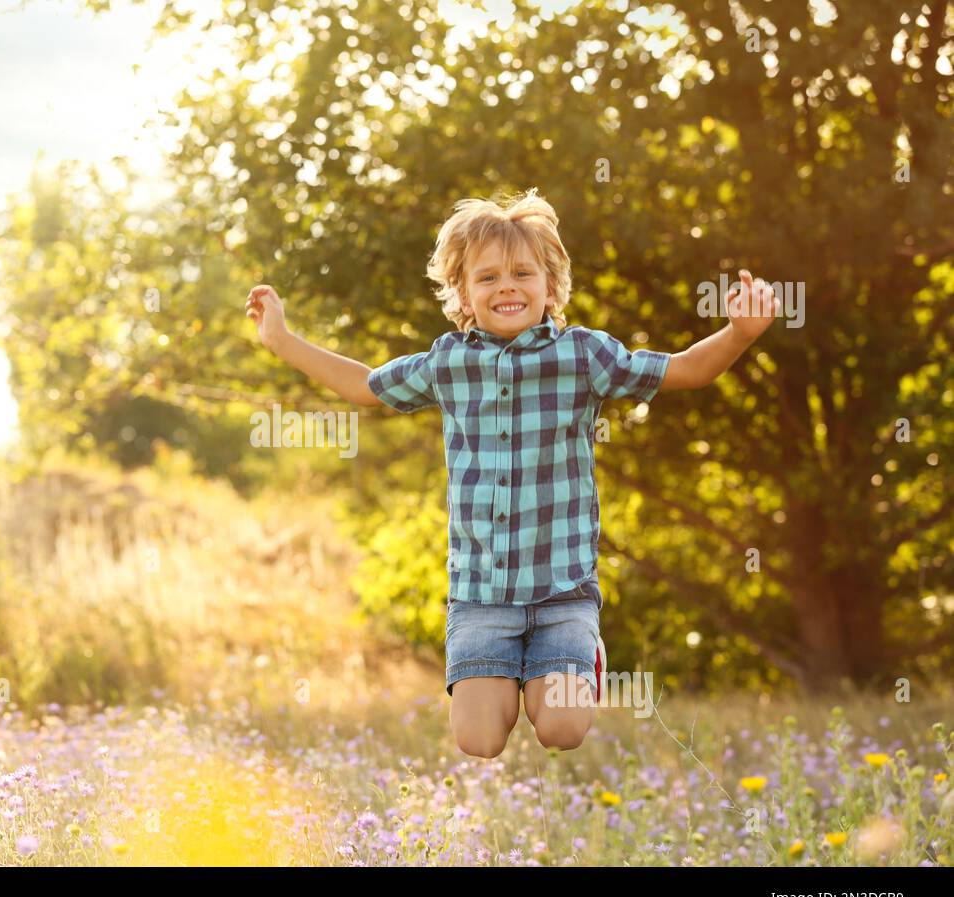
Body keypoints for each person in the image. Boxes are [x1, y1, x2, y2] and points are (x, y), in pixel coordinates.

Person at [244, 187, 779, 758]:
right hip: (481, 596)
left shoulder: (583, 355)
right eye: (488, 277)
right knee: (478, 740)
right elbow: (364, 387)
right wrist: (281, 340)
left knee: (562, 729)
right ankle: (511, 675)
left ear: (550, 286)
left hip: (562, 592)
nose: (507, 286)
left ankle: (581, 656)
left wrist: (740, 333)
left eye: (523, 273)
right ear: (463, 295)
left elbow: (685, 371)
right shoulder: (448, 361)